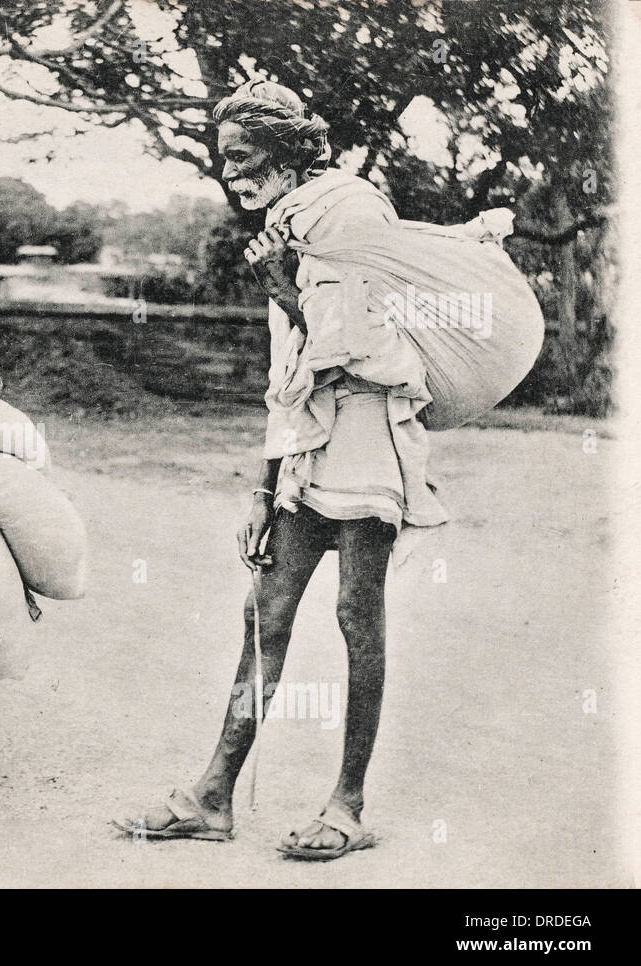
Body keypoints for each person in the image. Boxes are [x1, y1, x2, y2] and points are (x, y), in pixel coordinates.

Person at [114, 80, 447, 860]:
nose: (231, 172)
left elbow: (363, 343)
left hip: (367, 433)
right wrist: (263, 489)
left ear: (286, 148)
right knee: (264, 609)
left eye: (242, 155)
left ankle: (348, 806)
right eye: (223, 159)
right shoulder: (284, 226)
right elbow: (285, 375)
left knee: (357, 612)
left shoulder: (355, 211)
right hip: (307, 447)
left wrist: (282, 289)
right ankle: (212, 797)